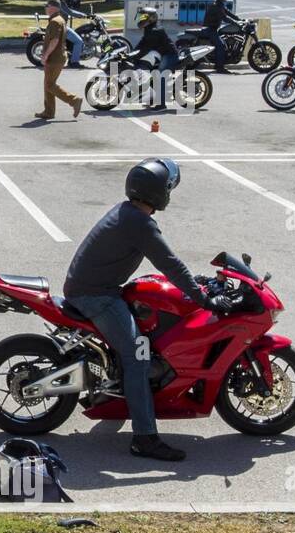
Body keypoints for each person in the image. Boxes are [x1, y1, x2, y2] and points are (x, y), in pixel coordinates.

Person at [63, 158, 232, 462]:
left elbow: (167, 266)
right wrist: (204, 299)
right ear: (159, 192)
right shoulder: (139, 222)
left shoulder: (128, 212)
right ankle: (144, 438)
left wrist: (198, 283)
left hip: (95, 288)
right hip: (95, 296)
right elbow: (169, 262)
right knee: (138, 356)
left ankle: (121, 396)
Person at [37, 0, 83, 120]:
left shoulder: (55, 22)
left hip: (54, 58)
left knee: (50, 85)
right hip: (57, 57)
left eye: (47, 6)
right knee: (48, 84)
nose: (45, 8)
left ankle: (74, 100)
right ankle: (49, 112)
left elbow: (55, 40)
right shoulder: (59, 19)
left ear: (54, 7)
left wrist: (46, 55)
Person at [131, 6, 180, 112]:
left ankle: (161, 105)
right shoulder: (149, 28)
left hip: (169, 55)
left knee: (160, 77)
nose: (141, 20)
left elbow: (146, 48)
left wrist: (134, 57)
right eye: (140, 17)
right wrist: (131, 53)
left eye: (143, 17)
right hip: (162, 54)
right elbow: (142, 42)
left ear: (151, 18)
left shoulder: (155, 30)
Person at [199, 0, 240, 73]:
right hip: (210, 29)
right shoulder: (216, 5)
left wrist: (240, 20)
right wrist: (236, 23)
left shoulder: (220, 4)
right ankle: (219, 67)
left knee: (224, 41)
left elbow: (229, 13)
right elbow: (224, 17)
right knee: (221, 46)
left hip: (213, 29)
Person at [57, 0, 90, 67]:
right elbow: (70, 12)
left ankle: (71, 57)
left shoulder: (60, 2)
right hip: (61, 27)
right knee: (79, 42)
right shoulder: (60, 3)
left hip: (59, 25)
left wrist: (83, 15)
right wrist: (84, 15)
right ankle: (74, 62)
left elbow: (69, 11)